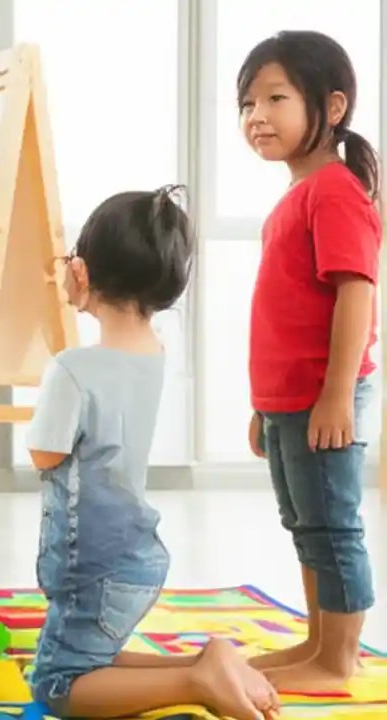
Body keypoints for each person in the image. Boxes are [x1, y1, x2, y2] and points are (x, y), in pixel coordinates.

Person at [26, 187, 278, 719]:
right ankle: (209, 660)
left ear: (83, 272)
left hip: (91, 563)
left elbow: (45, 455)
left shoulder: (71, 368)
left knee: (55, 684)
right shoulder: (152, 354)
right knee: (79, 656)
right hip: (134, 555)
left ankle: (196, 681)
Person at [237, 31, 380, 692]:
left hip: (323, 398)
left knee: (333, 523)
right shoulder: (296, 197)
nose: (255, 116)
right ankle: (317, 643)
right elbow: (287, 313)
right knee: (305, 523)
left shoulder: (334, 191)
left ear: (333, 105)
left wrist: (333, 395)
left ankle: (338, 659)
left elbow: (357, 291)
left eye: (274, 98)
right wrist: (262, 407)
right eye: (246, 103)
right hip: (286, 399)